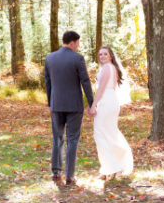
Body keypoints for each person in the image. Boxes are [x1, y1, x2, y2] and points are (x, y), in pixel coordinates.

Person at [43, 29, 94, 189]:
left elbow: (47, 81)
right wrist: (91, 102)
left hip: (56, 104)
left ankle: (56, 171)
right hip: (73, 105)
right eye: (77, 43)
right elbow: (85, 81)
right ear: (72, 42)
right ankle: (70, 175)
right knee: (72, 139)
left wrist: (50, 101)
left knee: (57, 138)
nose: (78, 46)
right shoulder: (77, 59)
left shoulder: (50, 58)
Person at [91, 44, 133, 183]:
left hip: (107, 102)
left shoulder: (108, 68)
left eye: (105, 54)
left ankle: (112, 168)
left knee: (99, 133)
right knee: (109, 133)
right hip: (111, 101)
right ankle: (109, 167)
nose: (102, 56)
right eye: (100, 54)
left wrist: (93, 105)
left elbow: (101, 89)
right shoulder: (111, 68)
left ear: (110, 56)